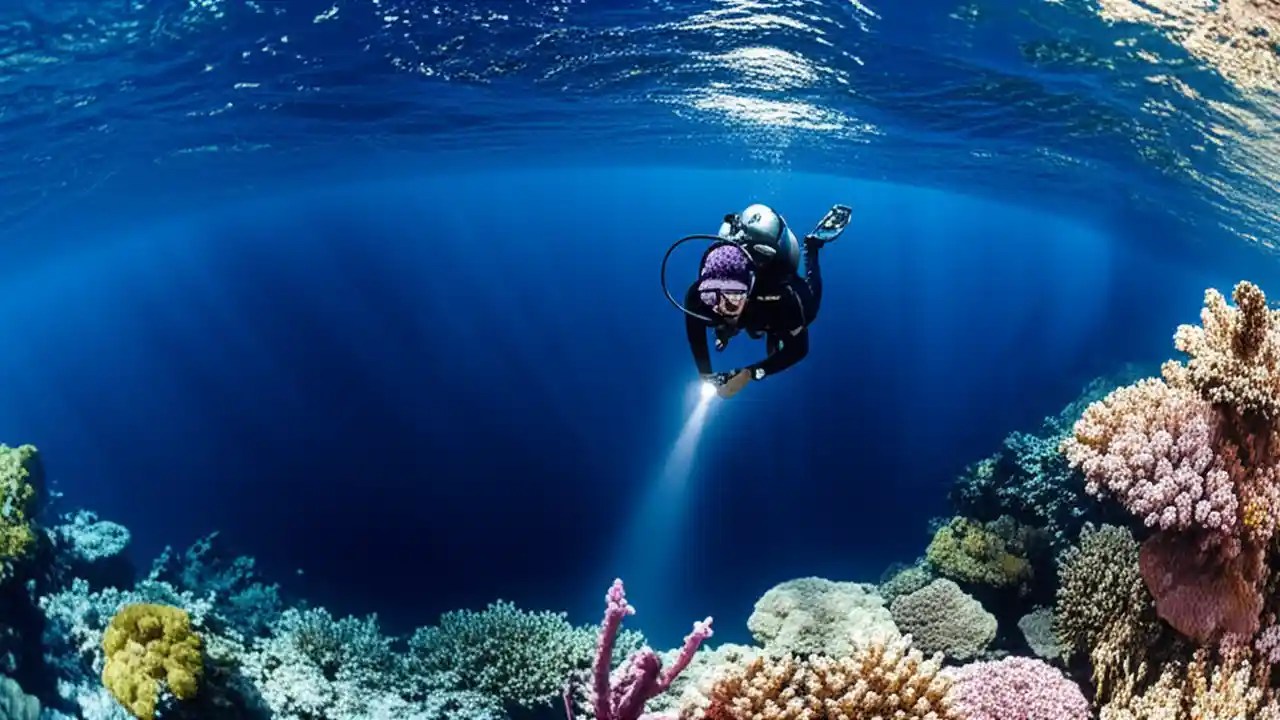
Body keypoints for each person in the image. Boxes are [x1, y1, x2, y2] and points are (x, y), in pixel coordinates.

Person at [683, 203, 834, 399]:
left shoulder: (784, 300)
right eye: (711, 295)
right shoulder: (697, 298)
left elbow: (799, 349)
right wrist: (705, 375)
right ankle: (729, 326)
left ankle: (812, 246)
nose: (719, 307)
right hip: (748, 308)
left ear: (749, 289)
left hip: (769, 303)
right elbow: (696, 336)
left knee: (806, 314)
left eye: (733, 296)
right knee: (730, 321)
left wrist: (751, 373)